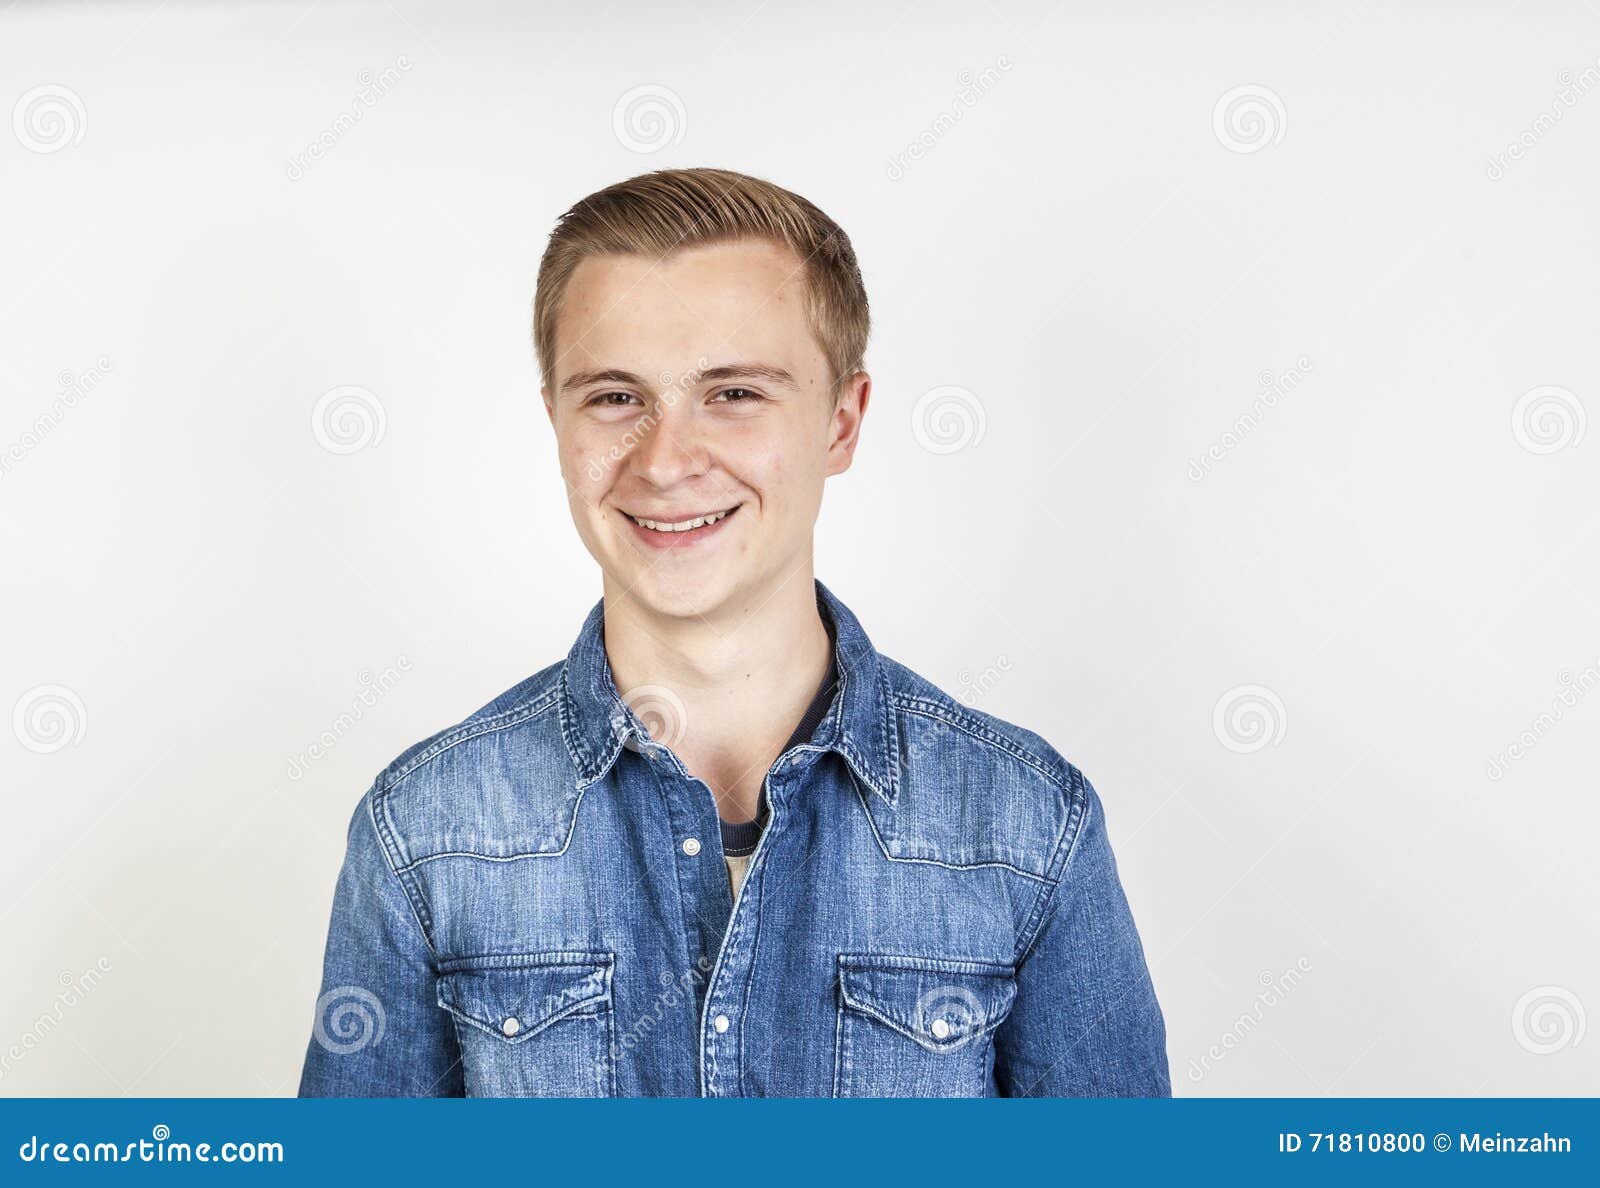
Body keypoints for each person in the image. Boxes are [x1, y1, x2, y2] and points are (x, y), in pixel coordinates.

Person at [298, 167, 1169, 1097]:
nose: (667, 462)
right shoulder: (423, 830)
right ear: (555, 418)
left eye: (736, 394)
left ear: (841, 422)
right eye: (615, 398)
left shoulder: (1028, 825)